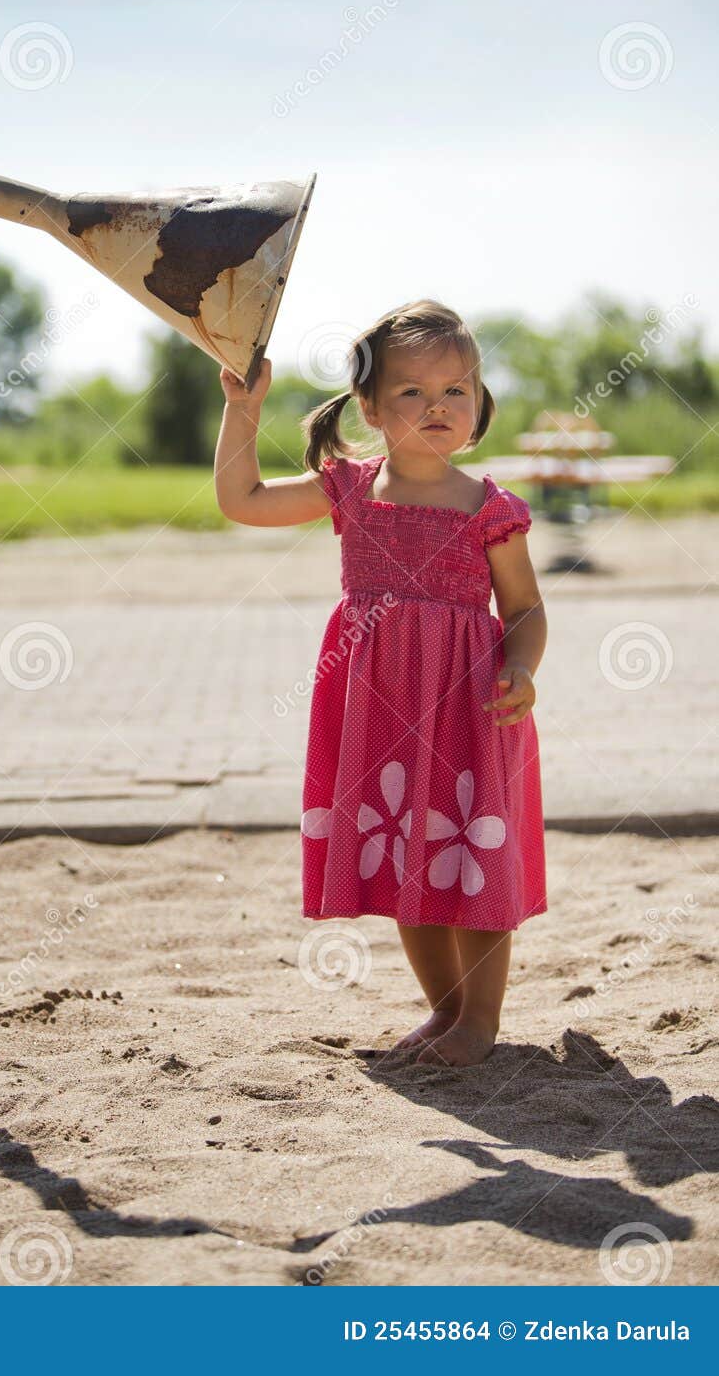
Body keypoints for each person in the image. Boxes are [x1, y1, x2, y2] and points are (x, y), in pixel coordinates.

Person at [214, 299, 547, 1067]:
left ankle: (480, 1020)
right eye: (411, 392)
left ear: (478, 404)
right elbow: (243, 501)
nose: (437, 406)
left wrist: (521, 667)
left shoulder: (488, 510)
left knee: (468, 856)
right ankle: (445, 1009)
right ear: (367, 406)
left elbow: (524, 608)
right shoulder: (351, 491)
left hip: (468, 707)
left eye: (455, 391)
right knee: (406, 855)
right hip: (378, 707)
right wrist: (243, 409)